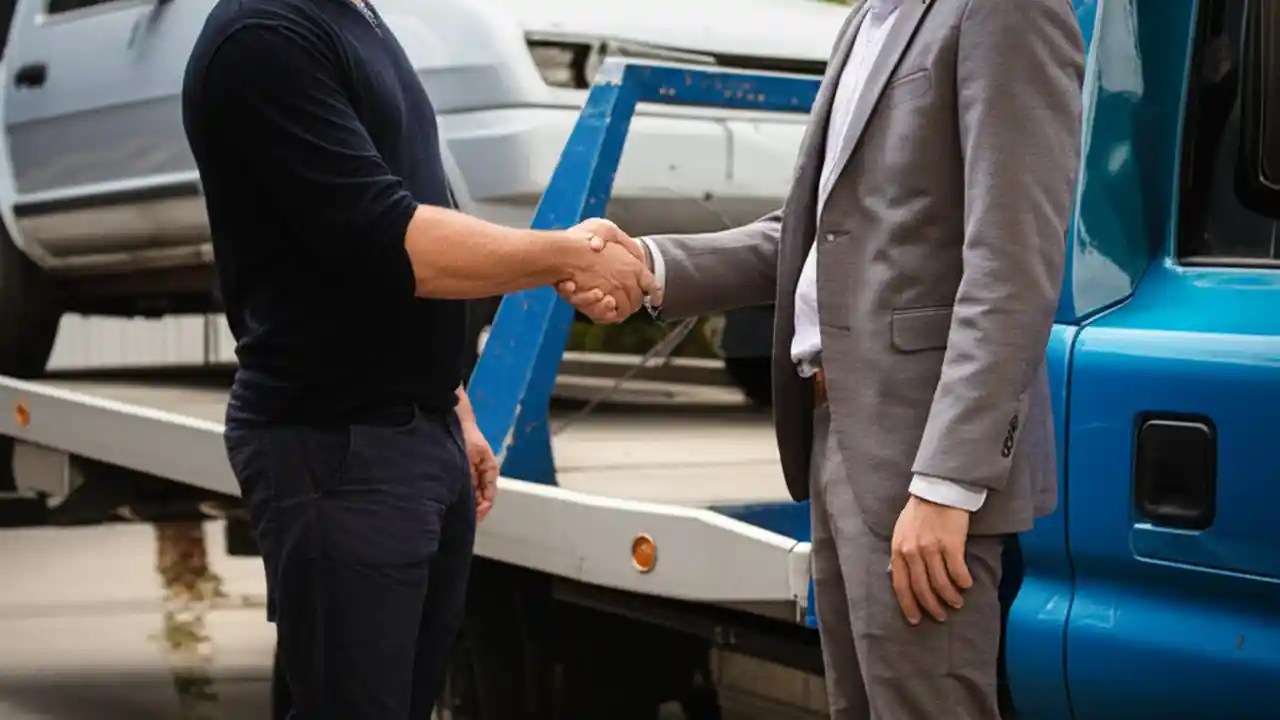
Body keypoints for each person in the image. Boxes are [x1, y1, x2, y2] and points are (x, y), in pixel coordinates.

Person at [562, 0, 1084, 716]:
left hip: (919, 460)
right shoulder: (870, 19)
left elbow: (1013, 266)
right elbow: (817, 237)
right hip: (835, 432)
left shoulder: (1005, 11)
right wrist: (655, 266)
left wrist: (947, 483)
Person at [180, 0, 652, 715]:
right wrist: (569, 252)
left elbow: (412, 200)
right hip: (339, 447)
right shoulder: (264, 38)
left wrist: (450, 399)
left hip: (412, 435)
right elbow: (385, 236)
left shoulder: (351, 17)